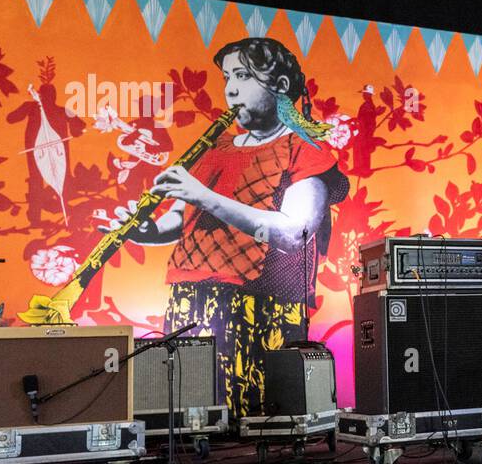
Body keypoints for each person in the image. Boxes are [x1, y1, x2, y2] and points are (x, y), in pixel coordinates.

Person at [102, 37, 349, 417]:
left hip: (259, 303)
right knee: (192, 407)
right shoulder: (217, 146)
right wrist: (147, 230)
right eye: (228, 77)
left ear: (280, 88)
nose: (231, 88)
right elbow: (184, 219)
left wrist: (202, 195)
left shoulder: (303, 150)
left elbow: (293, 232)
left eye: (244, 76)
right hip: (191, 295)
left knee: (249, 412)